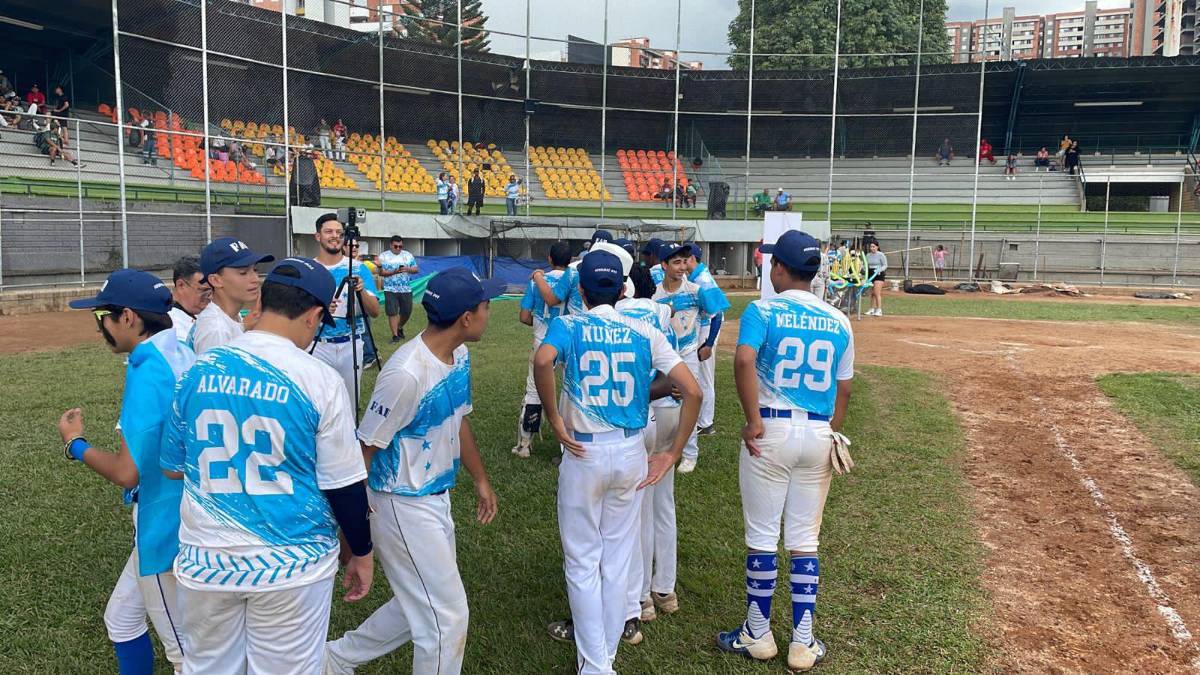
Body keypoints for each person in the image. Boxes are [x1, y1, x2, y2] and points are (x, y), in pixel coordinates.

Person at [161, 257, 375, 674]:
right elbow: (344, 485)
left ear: (260, 303)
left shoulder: (198, 371)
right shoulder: (319, 379)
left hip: (207, 561)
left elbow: (173, 467)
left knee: (207, 668)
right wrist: (362, 553)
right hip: (292, 565)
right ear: (314, 316)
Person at [325, 267, 501, 675]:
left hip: (433, 498)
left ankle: (334, 659)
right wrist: (352, 535)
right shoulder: (406, 375)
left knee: (417, 603)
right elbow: (363, 452)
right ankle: (335, 659)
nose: (488, 313)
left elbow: (458, 417)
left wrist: (480, 479)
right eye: (486, 306)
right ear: (466, 318)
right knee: (446, 620)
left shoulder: (458, 355)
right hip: (401, 504)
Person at [533, 249, 701, 675]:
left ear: (582, 289)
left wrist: (553, 417)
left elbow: (542, 360)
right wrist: (673, 452)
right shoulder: (645, 330)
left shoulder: (570, 324)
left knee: (583, 562)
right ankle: (603, 658)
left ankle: (596, 664)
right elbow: (693, 391)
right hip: (630, 450)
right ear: (623, 289)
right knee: (617, 559)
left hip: (584, 451)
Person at [715, 229, 854, 673]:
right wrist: (829, 431)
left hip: (772, 428)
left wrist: (753, 419)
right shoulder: (838, 319)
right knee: (805, 540)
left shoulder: (763, 309)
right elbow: (844, 387)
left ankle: (758, 632)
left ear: (778, 268)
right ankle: (802, 641)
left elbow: (743, 360)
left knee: (762, 536)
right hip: (818, 431)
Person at [59, 269, 194, 674]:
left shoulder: (148, 369)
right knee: (121, 618)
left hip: (166, 525)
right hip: (187, 512)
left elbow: (127, 473)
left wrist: (75, 444)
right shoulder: (181, 349)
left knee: (187, 656)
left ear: (129, 317)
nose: (99, 326)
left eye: (102, 316)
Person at [653, 241, 721, 474]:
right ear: (664, 265)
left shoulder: (695, 290)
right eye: (676, 262)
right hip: (663, 356)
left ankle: (690, 454)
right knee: (663, 400)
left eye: (684, 262)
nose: (682, 267)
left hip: (689, 353)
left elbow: (716, 314)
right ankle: (663, 446)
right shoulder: (655, 294)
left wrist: (708, 344)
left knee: (688, 401)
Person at [311, 213, 382, 404]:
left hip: (351, 344)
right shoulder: (309, 269)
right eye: (328, 231)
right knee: (318, 402)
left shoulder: (359, 268)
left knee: (350, 403)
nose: (335, 236)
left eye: (339, 232)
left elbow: (375, 312)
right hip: (318, 345)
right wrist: (319, 309)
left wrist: (362, 291)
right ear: (317, 236)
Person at [513, 241, 572, 458]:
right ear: (570, 260)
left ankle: (525, 445)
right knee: (570, 390)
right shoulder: (574, 280)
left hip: (542, 343)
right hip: (568, 342)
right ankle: (568, 445)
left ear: (549, 258)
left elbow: (524, 316)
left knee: (534, 391)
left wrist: (538, 324)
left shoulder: (536, 281)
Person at [189, 237, 273, 354]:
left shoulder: (230, 316)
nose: (255, 279)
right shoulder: (216, 330)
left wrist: (244, 327)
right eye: (243, 273)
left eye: (255, 270)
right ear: (216, 280)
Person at [686, 244, 731, 437]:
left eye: (684, 258)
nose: (682, 262)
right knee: (699, 374)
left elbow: (717, 314)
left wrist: (709, 344)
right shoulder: (695, 276)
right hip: (703, 327)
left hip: (708, 329)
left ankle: (706, 423)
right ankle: (701, 419)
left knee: (705, 376)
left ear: (692, 259)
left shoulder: (702, 279)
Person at [377, 235, 419, 342]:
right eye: (396, 246)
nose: (398, 248)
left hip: (406, 288)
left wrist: (407, 269)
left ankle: (399, 327)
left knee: (407, 312)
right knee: (392, 312)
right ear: (391, 245)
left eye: (400, 246)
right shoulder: (383, 256)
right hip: (390, 288)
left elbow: (416, 269)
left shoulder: (408, 255)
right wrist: (394, 272)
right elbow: (381, 273)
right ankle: (395, 336)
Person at [168, 255, 211, 343]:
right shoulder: (171, 325)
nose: (211, 296)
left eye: (213, 290)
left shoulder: (203, 311)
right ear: (181, 285)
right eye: (204, 290)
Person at [865, 241, 888, 317]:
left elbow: (885, 265)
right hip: (870, 274)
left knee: (876, 292)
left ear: (877, 247)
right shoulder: (868, 255)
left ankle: (879, 309)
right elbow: (865, 265)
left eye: (873, 246)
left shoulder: (881, 255)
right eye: (871, 247)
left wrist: (879, 270)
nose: (872, 248)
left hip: (878, 274)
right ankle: (871, 309)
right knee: (872, 293)